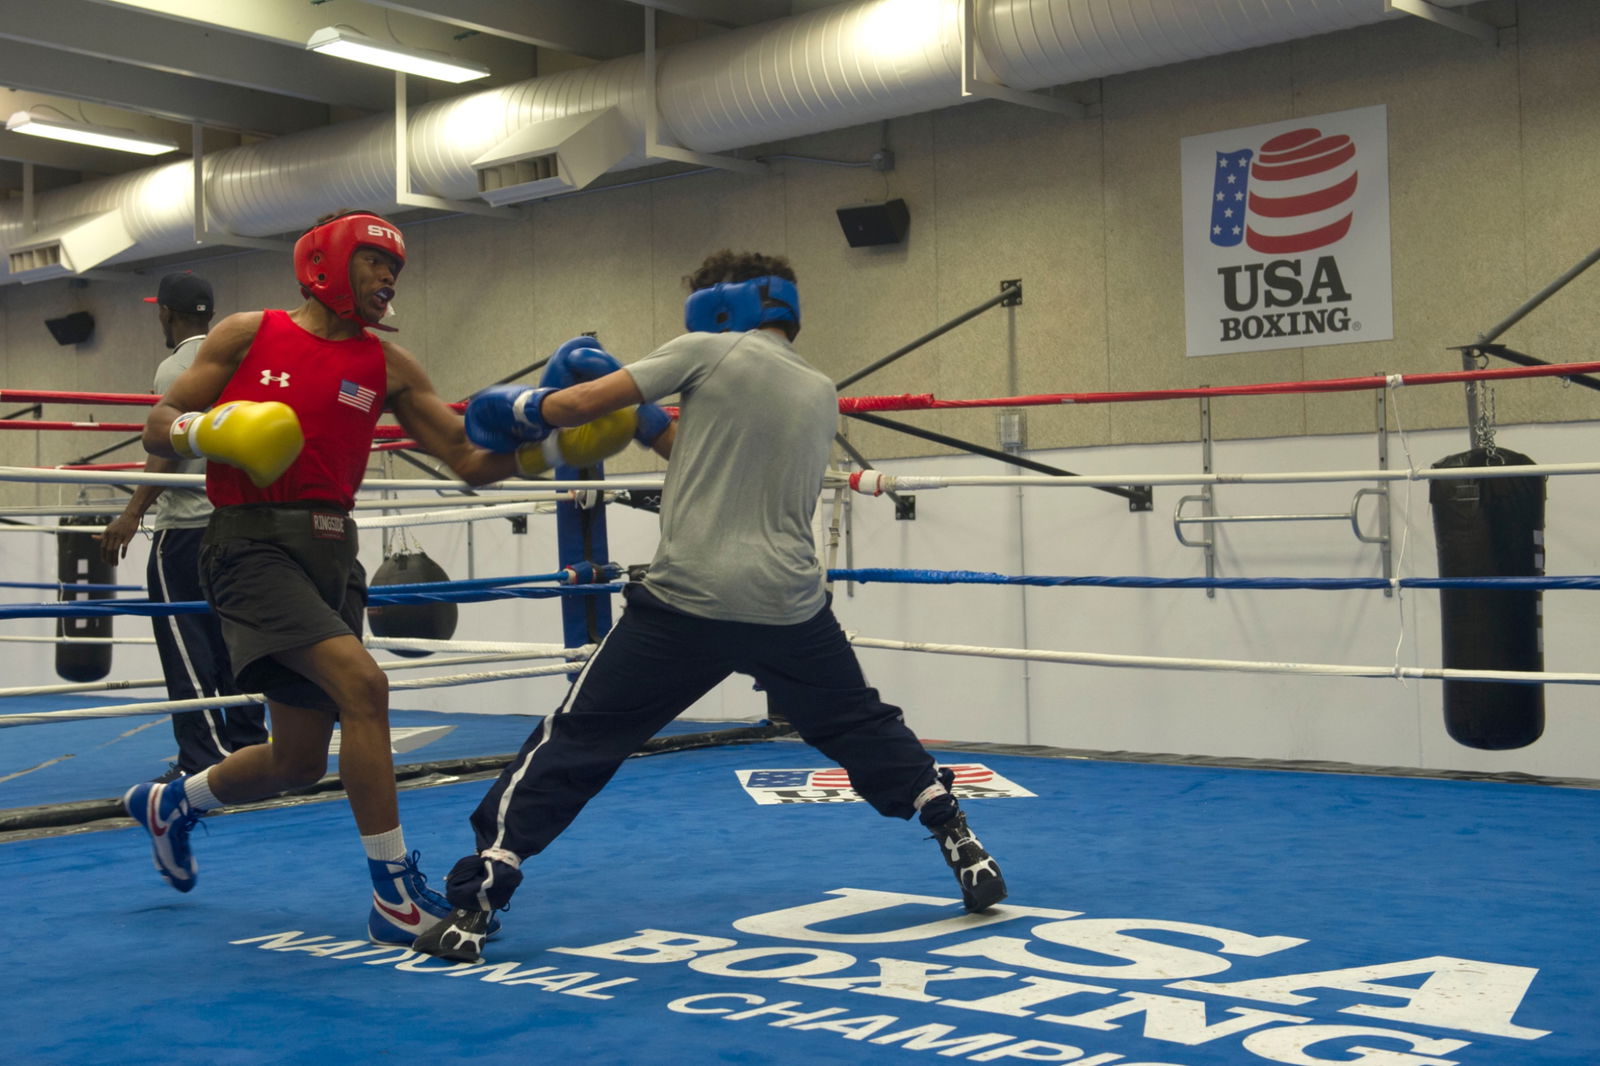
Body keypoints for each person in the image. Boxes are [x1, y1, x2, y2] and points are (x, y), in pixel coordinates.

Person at [413, 250, 1006, 965]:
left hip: (688, 600)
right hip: (790, 604)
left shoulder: (704, 350)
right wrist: (641, 421)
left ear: (720, 308)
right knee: (859, 723)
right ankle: (959, 840)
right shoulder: (820, 388)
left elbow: (568, 407)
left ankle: (477, 903)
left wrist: (510, 407)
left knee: (579, 736)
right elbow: (695, 450)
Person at [120, 209, 645, 946]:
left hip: (333, 553)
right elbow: (158, 422)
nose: (388, 276)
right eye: (374, 261)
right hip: (248, 545)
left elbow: (467, 460)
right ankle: (395, 896)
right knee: (364, 686)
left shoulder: (389, 367)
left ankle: (173, 803)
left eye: (395, 267)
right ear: (327, 261)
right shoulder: (248, 333)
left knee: (298, 760)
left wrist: (555, 450)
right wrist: (207, 430)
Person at [100, 273, 269, 781]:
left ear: (166, 314)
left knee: (186, 645)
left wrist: (132, 513)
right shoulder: (248, 361)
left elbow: (166, 451)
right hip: (241, 525)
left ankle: (204, 760)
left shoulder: (177, 367)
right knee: (236, 642)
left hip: (187, 531)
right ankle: (248, 749)